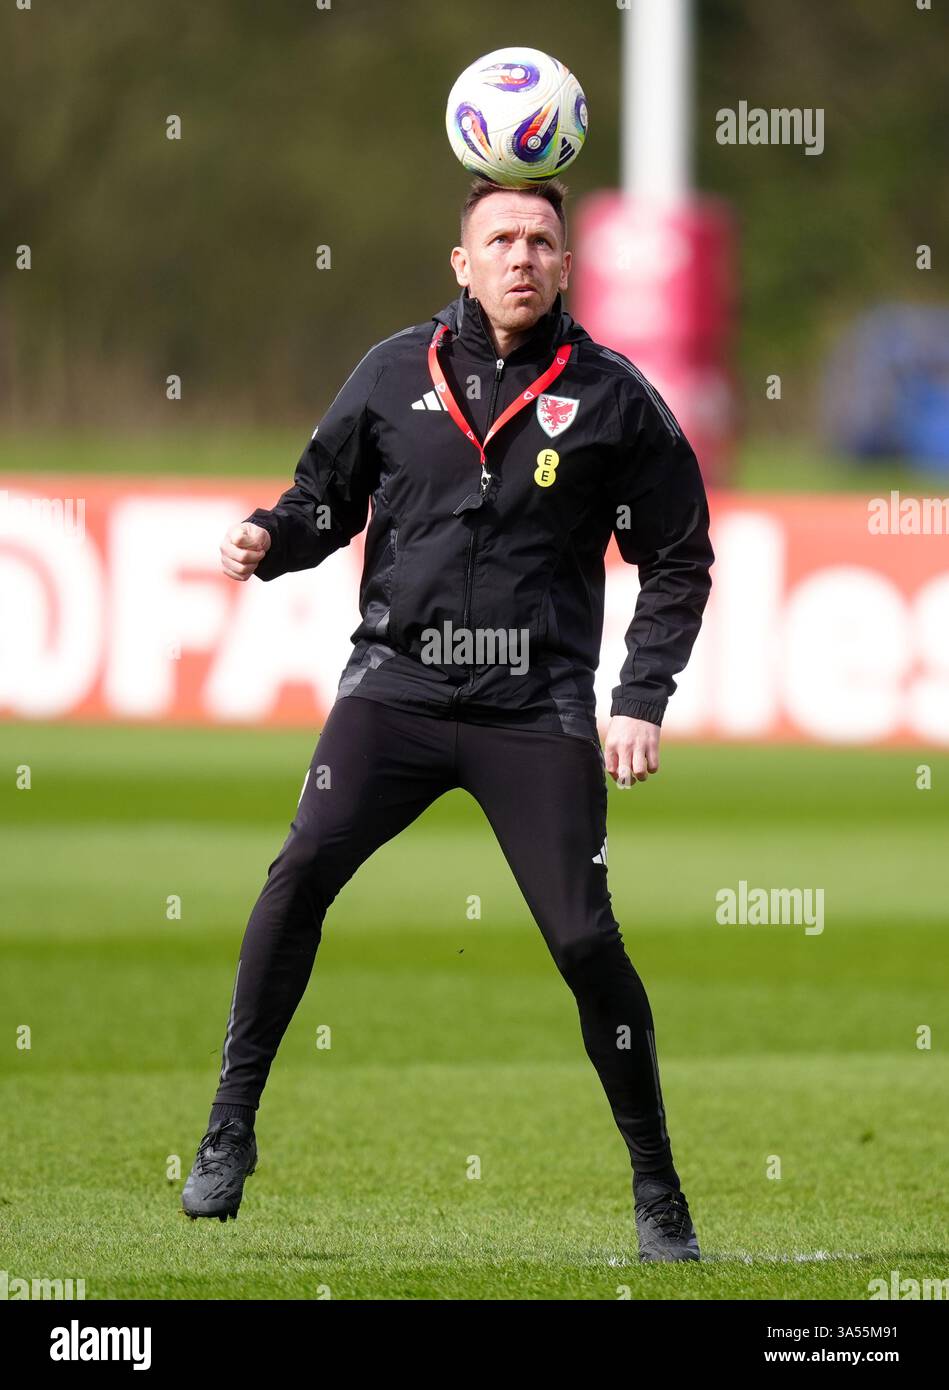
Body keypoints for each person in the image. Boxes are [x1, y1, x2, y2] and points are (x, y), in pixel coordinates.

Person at [182, 177, 714, 1263]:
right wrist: (263, 539)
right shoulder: (391, 371)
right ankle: (228, 1128)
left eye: (541, 242)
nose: (521, 256)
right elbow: (321, 505)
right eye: (499, 240)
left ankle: (657, 1190)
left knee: (580, 937)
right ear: (460, 263)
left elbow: (679, 557)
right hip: (397, 691)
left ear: (566, 266)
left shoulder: (612, 397)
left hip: (537, 705)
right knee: (299, 873)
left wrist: (639, 697)